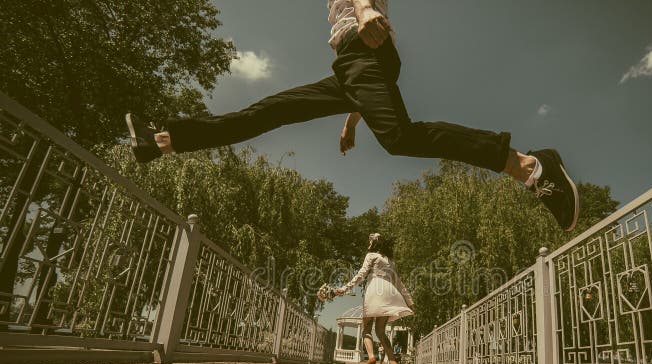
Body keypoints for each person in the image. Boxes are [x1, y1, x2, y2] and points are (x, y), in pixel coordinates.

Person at [125, 0, 580, 231]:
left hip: (364, 54)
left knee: (400, 138)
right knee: (267, 112)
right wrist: (349, 121)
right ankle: (163, 140)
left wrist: (364, 9)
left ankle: (528, 166)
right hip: (351, 69)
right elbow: (365, 82)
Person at [335, 233, 411, 364]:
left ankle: (370, 357)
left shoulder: (371, 256)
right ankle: (393, 362)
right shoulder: (390, 260)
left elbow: (360, 275)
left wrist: (344, 289)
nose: (368, 244)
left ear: (374, 243)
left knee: (366, 328)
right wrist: (410, 301)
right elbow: (399, 283)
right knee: (381, 331)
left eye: (370, 241)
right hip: (389, 291)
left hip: (375, 289)